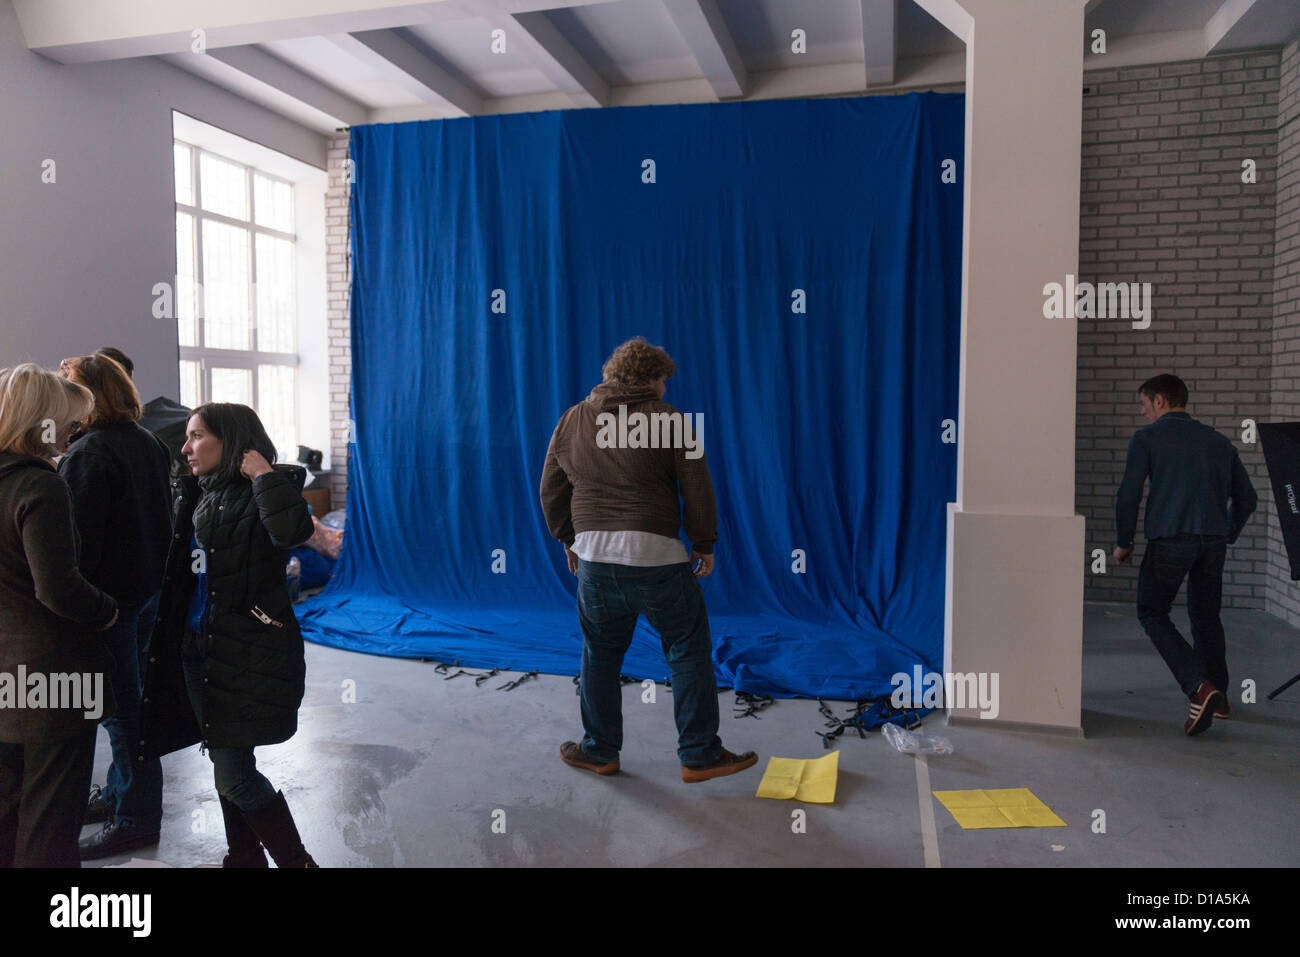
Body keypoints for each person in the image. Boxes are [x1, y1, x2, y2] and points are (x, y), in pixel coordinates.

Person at [540, 337, 757, 782]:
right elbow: (698, 486)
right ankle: (699, 754)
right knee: (686, 648)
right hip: (657, 558)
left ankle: (600, 751)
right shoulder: (670, 421)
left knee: (599, 654)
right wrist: (703, 543)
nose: (665, 390)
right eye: (664, 381)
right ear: (650, 379)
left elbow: (552, 488)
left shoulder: (573, 420)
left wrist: (569, 539)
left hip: (596, 562)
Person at [137, 402, 319, 866]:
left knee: (235, 775)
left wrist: (261, 473)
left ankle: (298, 863)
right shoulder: (197, 492)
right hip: (199, 651)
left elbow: (291, 531)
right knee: (227, 764)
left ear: (232, 441)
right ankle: (243, 859)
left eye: (198, 436)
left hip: (248, 651)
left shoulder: (266, 488)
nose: (186, 447)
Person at [0, 364, 119, 866]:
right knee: (51, 819)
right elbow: (58, 590)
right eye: (69, 423)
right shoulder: (40, 486)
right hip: (53, 679)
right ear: (42, 422)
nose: (74, 433)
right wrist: (107, 610)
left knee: (9, 812)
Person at [57, 355, 171, 859]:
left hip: (111, 605)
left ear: (90, 398)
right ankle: (121, 797)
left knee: (122, 718)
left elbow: (79, 548)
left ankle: (135, 820)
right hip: (144, 594)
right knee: (131, 709)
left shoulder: (88, 454)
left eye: (70, 389)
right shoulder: (147, 442)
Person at [1113, 374, 1257, 736]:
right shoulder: (1218, 442)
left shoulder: (1147, 439)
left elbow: (1129, 494)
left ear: (1160, 400)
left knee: (1151, 611)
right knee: (1205, 614)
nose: (1144, 413)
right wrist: (1227, 530)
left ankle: (1199, 686)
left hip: (1171, 539)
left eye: (1144, 405)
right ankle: (1220, 697)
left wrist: (1124, 541)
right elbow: (1248, 498)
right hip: (1212, 540)